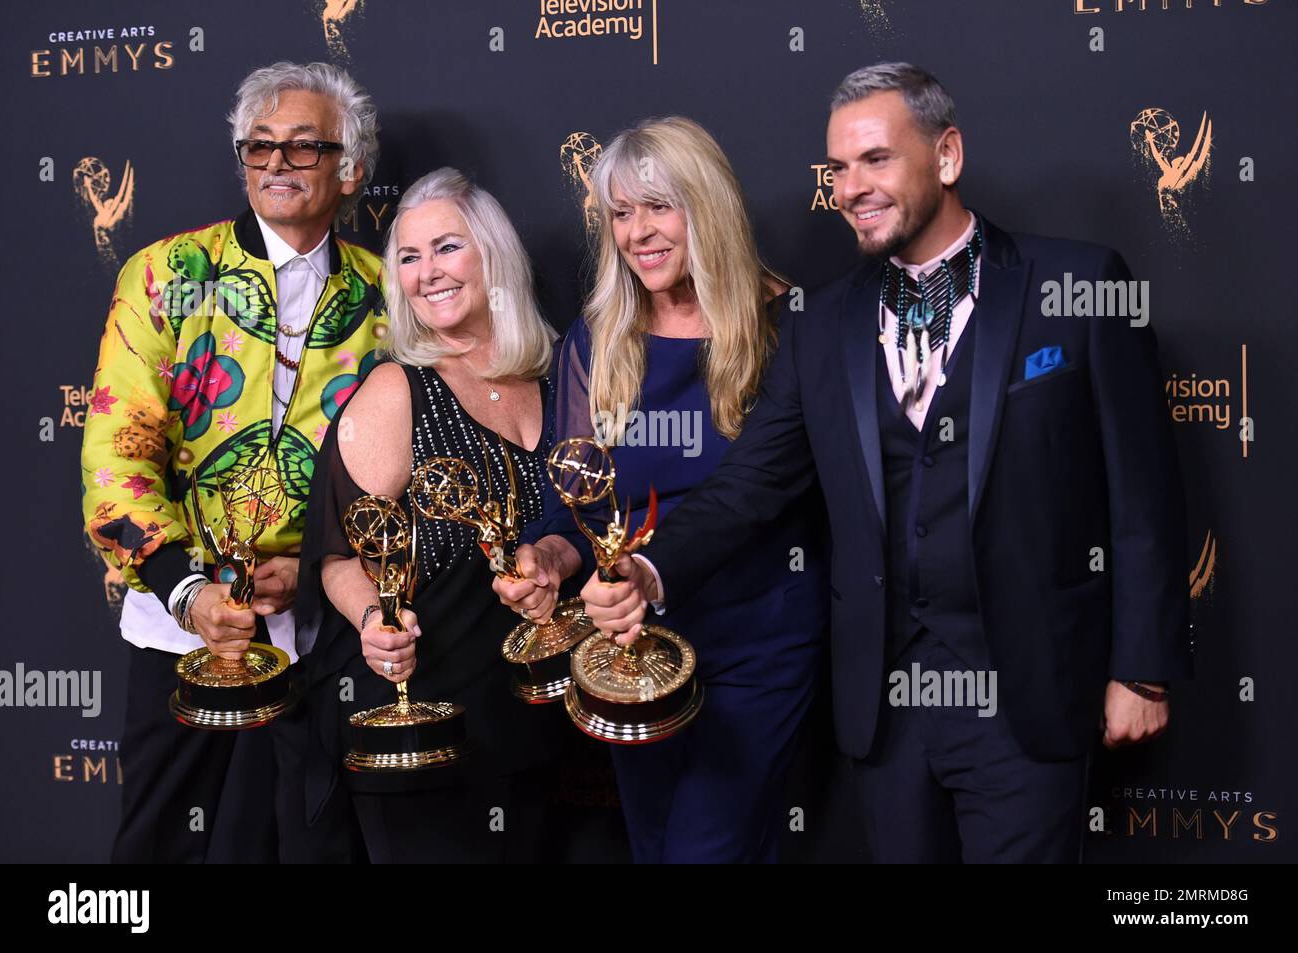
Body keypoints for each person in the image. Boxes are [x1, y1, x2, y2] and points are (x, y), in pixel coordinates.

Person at [582, 64, 1191, 863]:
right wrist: (651, 572)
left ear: (946, 156)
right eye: (838, 168)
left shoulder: (1077, 285)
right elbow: (751, 484)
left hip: (1028, 694)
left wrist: (1142, 670)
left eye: (876, 159)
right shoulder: (819, 321)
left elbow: (1143, 495)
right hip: (886, 706)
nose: (851, 187)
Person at [494, 117, 828, 863]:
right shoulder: (600, 335)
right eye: (620, 212)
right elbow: (574, 500)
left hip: (757, 642)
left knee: (705, 849)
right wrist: (548, 557)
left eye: (658, 206)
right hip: (629, 644)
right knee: (656, 845)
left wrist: (649, 573)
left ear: (706, 206)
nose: (637, 232)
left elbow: (759, 493)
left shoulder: (788, 326)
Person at [81, 61, 386, 863]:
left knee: (294, 845)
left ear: (349, 167)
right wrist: (187, 588)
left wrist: (321, 565)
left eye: (302, 147)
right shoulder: (162, 275)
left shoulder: (391, 295)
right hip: (179, 621)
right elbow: (117, 454)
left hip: (319, 637)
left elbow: (410, 471)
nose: (276, 164)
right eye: (259, 148)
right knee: (155, 849)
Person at [294, 167, 564, 863]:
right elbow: (338, 555)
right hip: (423, 726)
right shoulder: (397, 389)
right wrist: (371, 620)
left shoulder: (561, 375)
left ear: (493, 255)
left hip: (539, 723)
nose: (427, 272)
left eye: (446, 247)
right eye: (408, 257)